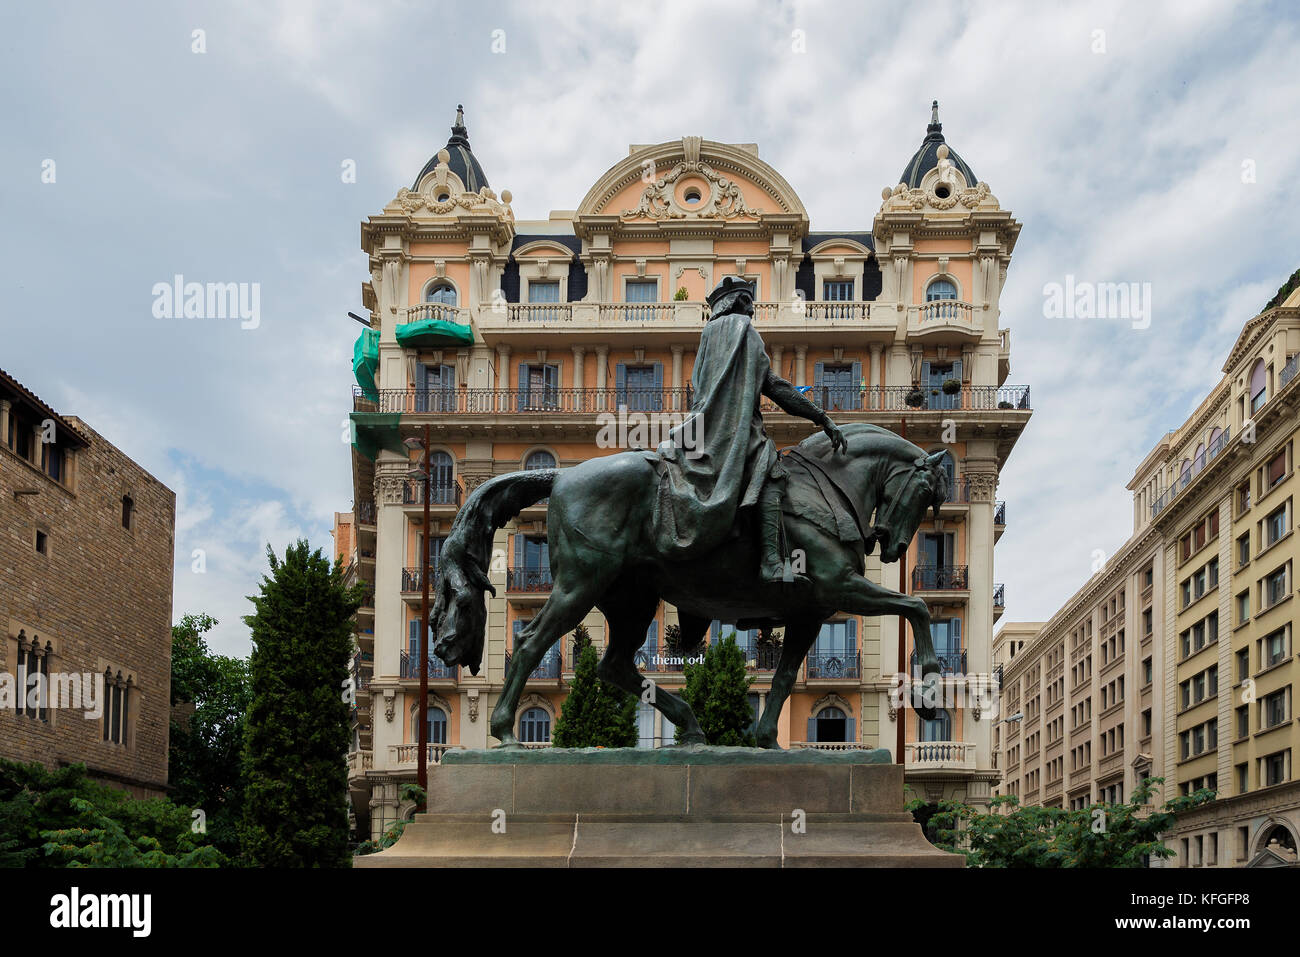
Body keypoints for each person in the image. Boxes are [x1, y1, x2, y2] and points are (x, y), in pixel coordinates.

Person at [651, 276, 846, 584]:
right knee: (770, 475)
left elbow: (699, 385)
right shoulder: (745, 332)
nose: (752, 308)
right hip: (736, 433)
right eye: (749, 301)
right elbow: (775, 386)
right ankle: (771, 562)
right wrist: (821, 417)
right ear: (740, 302)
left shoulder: (708, 335)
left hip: (703, 431)